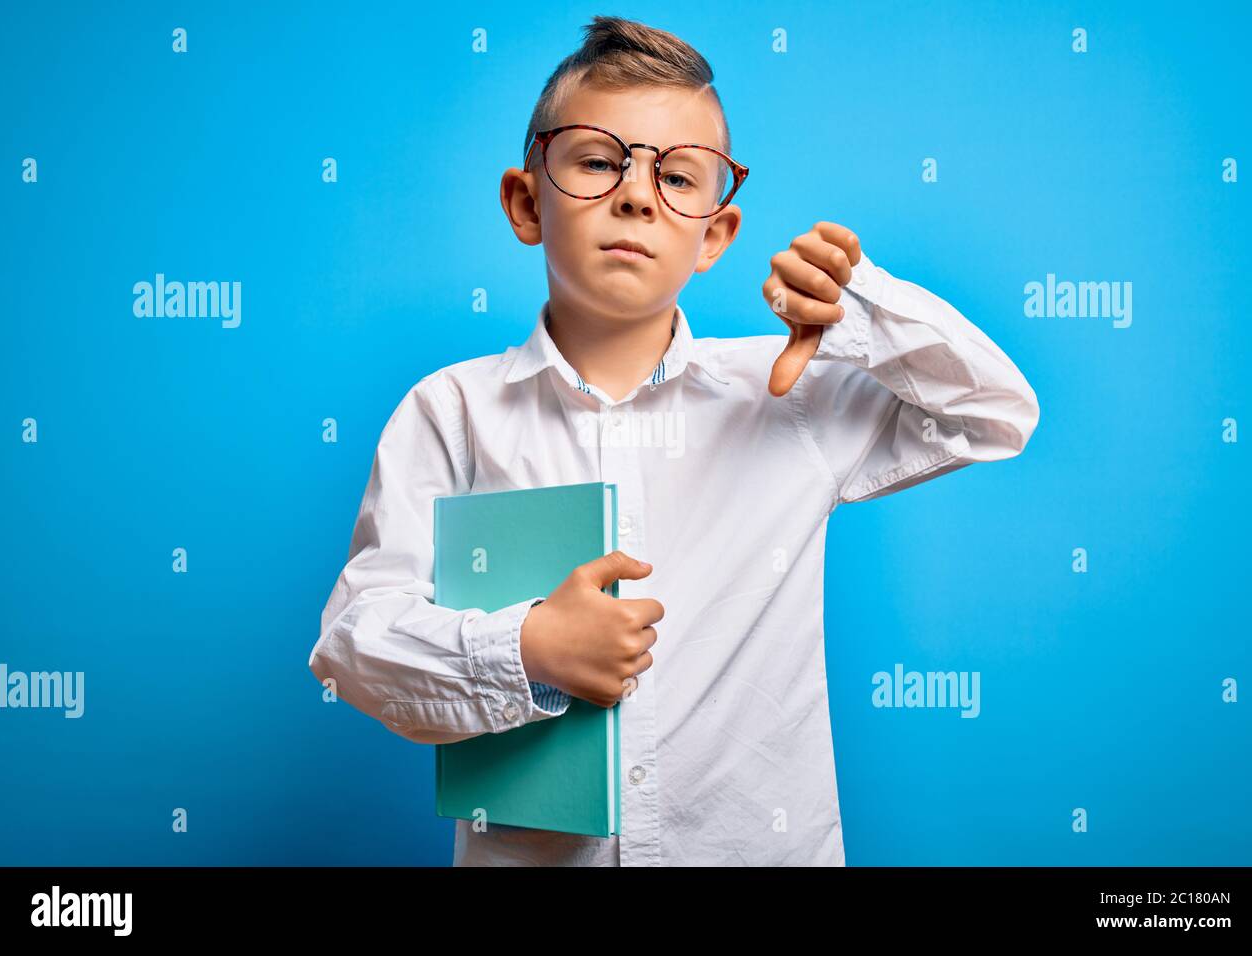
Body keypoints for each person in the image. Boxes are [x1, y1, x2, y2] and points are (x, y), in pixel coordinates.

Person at [307, 15, 1040, 866]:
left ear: (715, 237)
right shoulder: (451, 412)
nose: (636, 196)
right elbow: (353, 644)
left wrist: (857, 311)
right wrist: (527, 648)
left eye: (680, 179)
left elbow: (995, 414)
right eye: (595, 160)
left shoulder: (789, 392)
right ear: (524, 202)